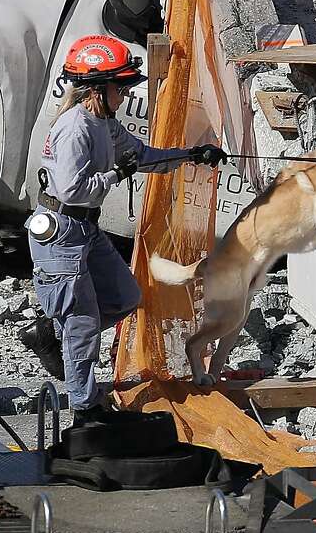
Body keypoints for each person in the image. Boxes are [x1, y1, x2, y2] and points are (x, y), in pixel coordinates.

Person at [18, 34, 227, 425]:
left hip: (85, 231)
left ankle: (50, 330)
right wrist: (115, 174)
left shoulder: (103, 122)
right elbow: (72, 189)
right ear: (98, 90)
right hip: (61, 233)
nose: (125, 94)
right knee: (81, 326)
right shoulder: (76, 128)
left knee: (125, 297)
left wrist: (191, 156)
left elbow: (140, 156)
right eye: (120, 87)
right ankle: (85, 410)